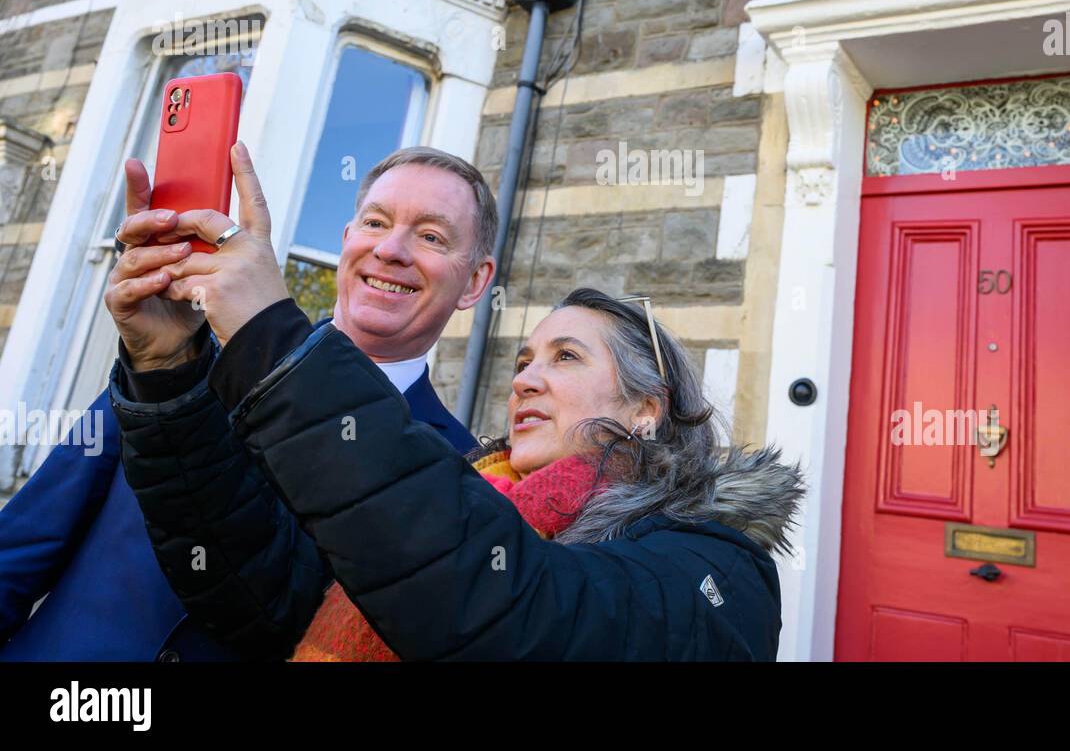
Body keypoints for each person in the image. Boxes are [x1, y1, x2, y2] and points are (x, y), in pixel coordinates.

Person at [113, 144, 805, 660]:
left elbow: (510, 610)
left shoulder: (715, 564)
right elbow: (272, 599)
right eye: (523, 360)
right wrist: (169, 370)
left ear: (646, 411)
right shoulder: (474, 492)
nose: (526, 379)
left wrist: (271, 334)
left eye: (566, 357)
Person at [0, 145, 495, 661]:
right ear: (347, 240)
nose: (391, 249)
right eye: (375, 222)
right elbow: (24, 543)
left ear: (476, 281)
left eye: (431, 236)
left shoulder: (461, 472)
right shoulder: (181, 360)